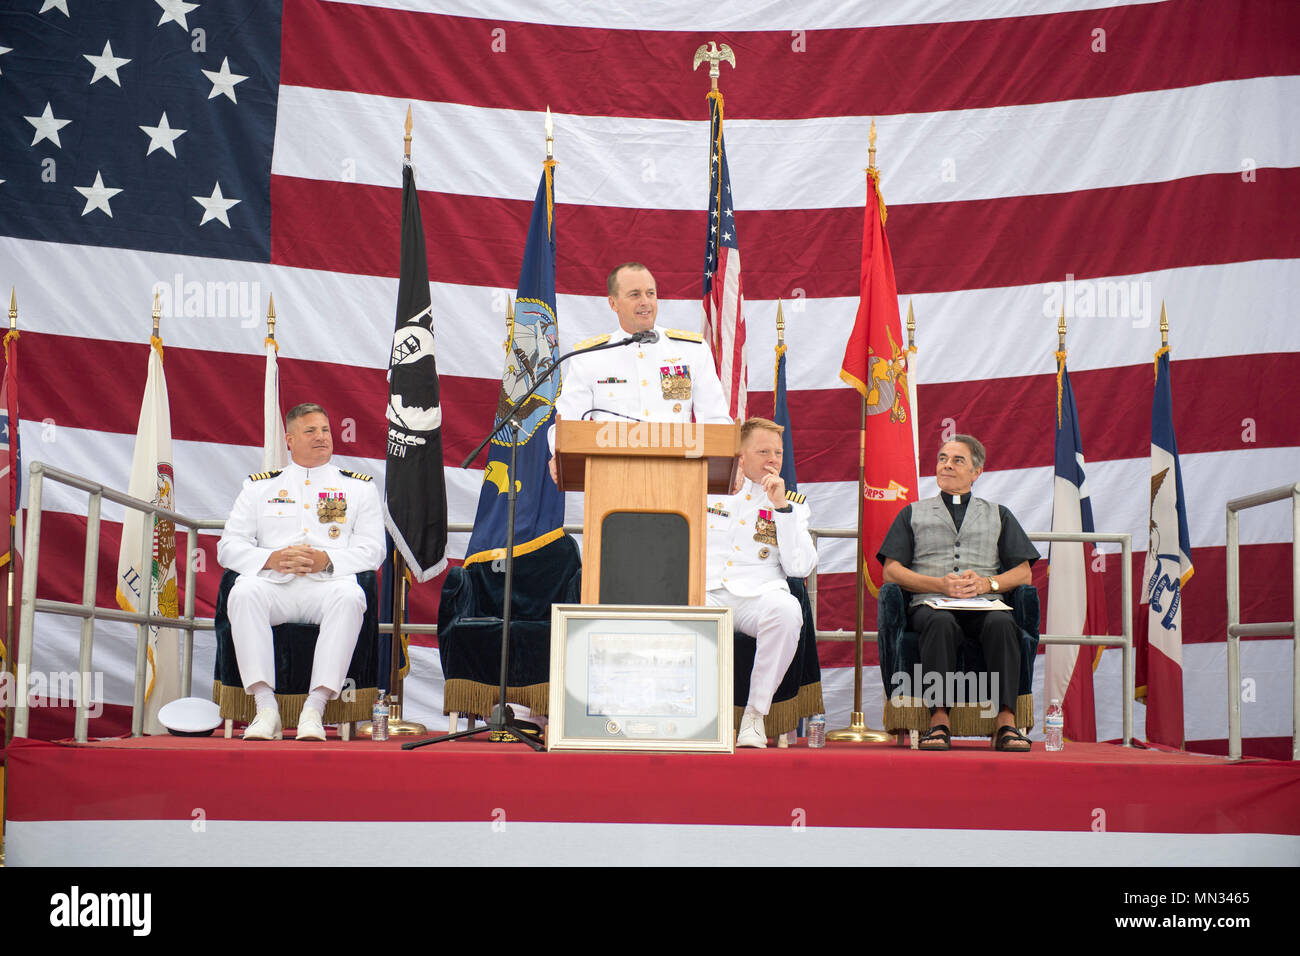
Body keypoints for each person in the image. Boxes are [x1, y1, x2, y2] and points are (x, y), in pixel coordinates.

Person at [217, 403, 385, 741]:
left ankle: (315, 709)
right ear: (290, 439)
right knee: (243, 592)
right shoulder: (259, 486)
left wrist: (328, 561)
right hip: (275, 587)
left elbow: (373, 551)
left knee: (352, 595)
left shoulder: (358, 487)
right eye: (311, 431)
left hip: (326, 586)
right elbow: (228, 548)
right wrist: (271, 558)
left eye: (325, 430)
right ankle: (266, 709)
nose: (321, 437)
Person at [876, 435, 1040, 752]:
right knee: (941, 624)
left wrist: (986, 585)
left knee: (1003, 624)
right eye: (942, 458)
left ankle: (1006, 720)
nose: (947, 464)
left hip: (985, 604)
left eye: (957, 460)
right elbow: (891, 570)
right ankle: (939, 720)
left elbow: (1023, 572)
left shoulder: (999, 514)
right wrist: (939, 584)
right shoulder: (912, 513)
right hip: (930, 604)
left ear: (976, 471)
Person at [549, 262, 732, 478]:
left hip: (680, 479)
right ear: (613, 303)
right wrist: (560, 454)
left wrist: (728, 460)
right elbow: (565, 427)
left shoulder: (692, 350)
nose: (645, 302)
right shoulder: (589, 356)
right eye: (634, 294)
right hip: (610, 479)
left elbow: (716, 422)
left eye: (650, 293)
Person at [706, 418, 817, 748]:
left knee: (787, 612)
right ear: (740, 454)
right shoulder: (710, 488)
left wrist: (780, 508)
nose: (773, 459)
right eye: (763, 451)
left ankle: (754, 715)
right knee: (677, 611)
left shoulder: (794, 505)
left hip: (759, 594)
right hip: (709, 592)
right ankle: (696, 715)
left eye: (778, 452)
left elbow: (799, 567)